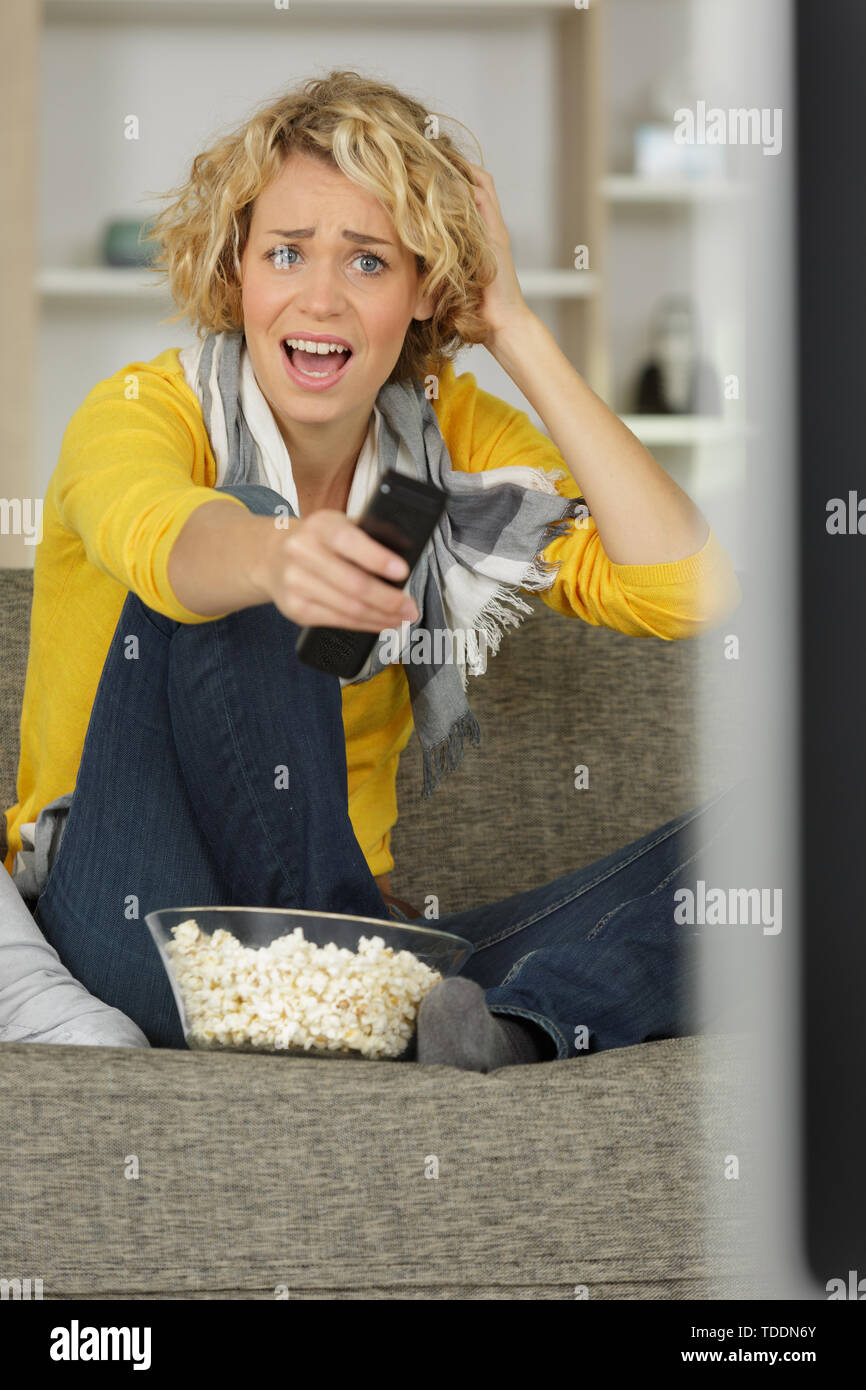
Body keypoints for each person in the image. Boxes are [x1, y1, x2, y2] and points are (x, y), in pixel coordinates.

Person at [1, 69, 742, 1069]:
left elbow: (682, 587)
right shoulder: (140, 410)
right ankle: (356, 987)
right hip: (133, 919)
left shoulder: (446, 438)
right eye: (286, 253)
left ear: (425, 287)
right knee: (250, 524)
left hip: (353, 943)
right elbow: (161, 534)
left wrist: (515, 330)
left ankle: (514, 1026)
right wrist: (278, 554)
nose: (319, 297)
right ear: (235, 273)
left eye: (367, 261)